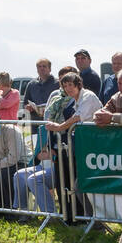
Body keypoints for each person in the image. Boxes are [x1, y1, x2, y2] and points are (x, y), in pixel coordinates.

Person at [45, 72, 101, 222]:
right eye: (65, 85)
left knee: (84, 184)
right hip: (84, 147)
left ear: (78, 84)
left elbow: (77, 118)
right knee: (79, 185)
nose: (68, 88)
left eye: (71, 84)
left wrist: (59, 127)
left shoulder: (87, 96)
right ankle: (91, 220)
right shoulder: (76, 100)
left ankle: (95, 220)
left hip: (96, 147)